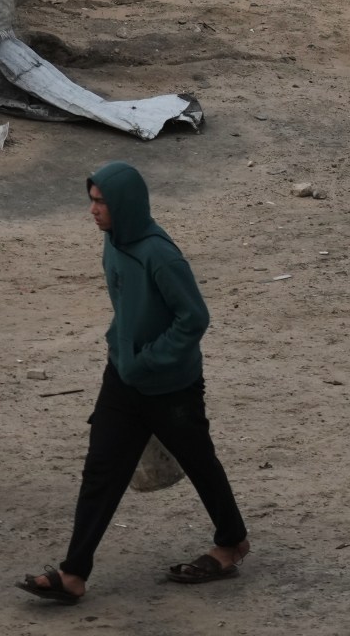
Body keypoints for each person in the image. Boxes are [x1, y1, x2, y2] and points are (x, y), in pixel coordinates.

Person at [20, 162, 248, 604]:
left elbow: (194, 318)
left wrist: (150, 359)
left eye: (101, 201)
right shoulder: (114, 242)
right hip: (123, 377)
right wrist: (121, 349)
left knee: (199, 461)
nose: (93, 210)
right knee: (101, 471)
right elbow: (126, 306)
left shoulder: (160, 255)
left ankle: (232, 541)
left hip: (171, 386)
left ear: (123, 204)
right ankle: (74, 574)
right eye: (91, 200)